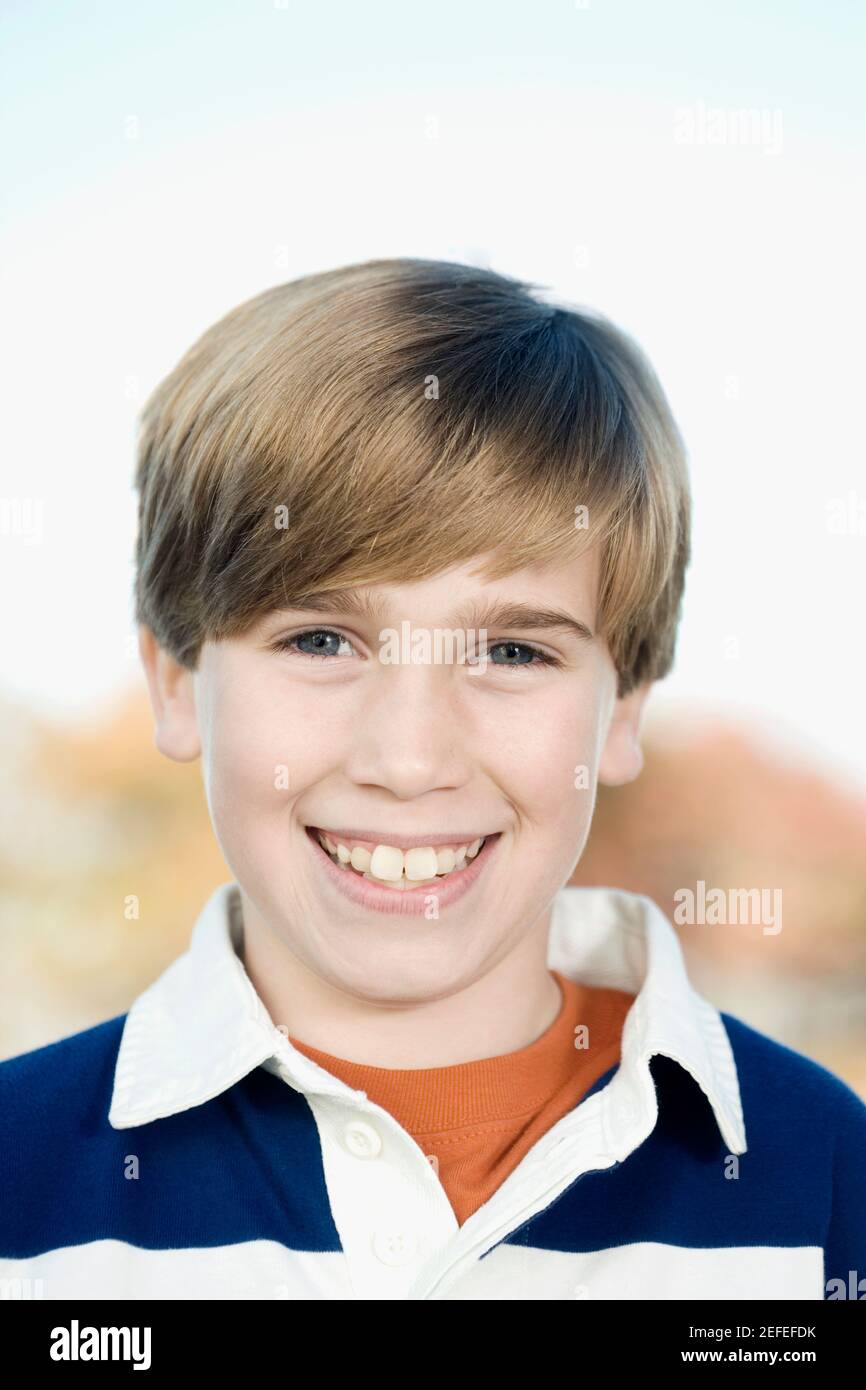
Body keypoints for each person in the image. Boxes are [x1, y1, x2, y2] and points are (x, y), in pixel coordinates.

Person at [1, 259, 863, 1300]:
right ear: (177, 684)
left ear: (621, 706)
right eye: (321, 638)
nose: (409, 761)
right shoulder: (22, 1186)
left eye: (511, 653)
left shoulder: (822, 1182)